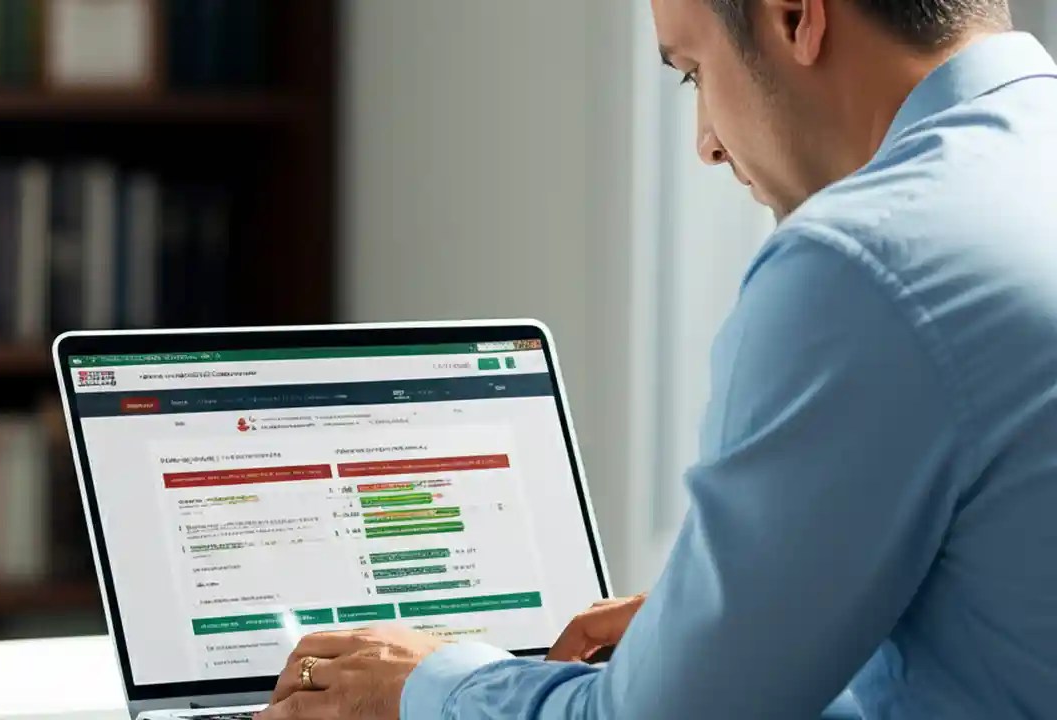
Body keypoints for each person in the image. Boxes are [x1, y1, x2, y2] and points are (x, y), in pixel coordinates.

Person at [256, 0, 1057, 717]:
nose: (707, 144)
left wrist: (427, 685)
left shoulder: (859, 260)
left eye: (693, 73)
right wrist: (754, 633)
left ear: (793, 17)